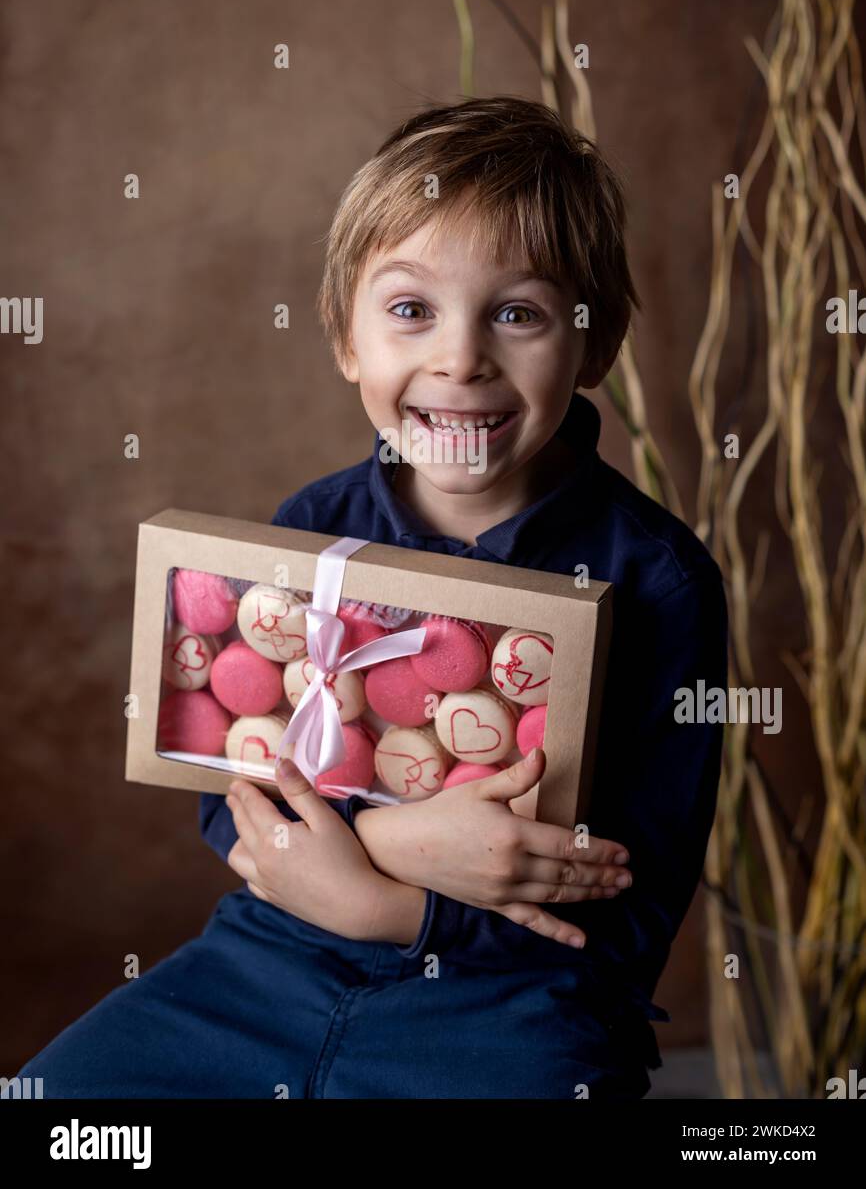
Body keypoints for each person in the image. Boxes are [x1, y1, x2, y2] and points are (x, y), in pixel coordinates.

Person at [12, 95, 728, 1100]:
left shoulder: (658, 580)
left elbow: (626, 911)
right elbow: (238, 801)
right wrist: (379, 848)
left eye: (516, 312)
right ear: (347, 340)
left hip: (511, 1000)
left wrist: (394, 910)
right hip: (272, 960)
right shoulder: (311, 526)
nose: (458, 358)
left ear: (593, 346)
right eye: (409, 310)